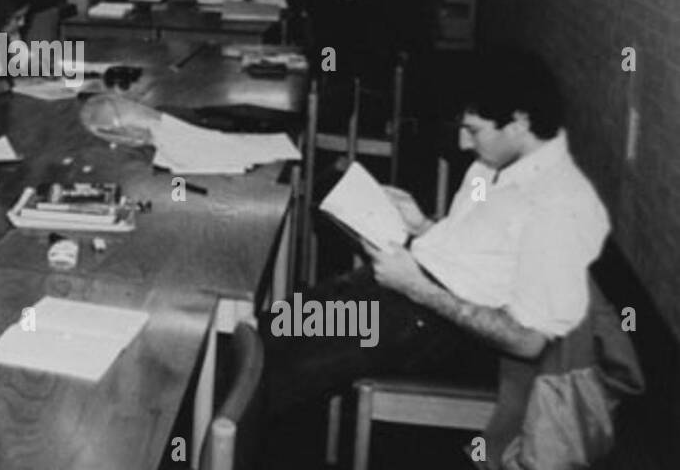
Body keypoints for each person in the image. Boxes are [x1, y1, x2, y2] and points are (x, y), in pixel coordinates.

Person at [261, 48, 610, 416]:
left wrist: (418, 287)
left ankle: (226, 448)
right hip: (418, 294)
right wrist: (423, 225)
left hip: (459, 337)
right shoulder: (488, 167)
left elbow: (527, 341)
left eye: (473, 130)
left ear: (520, 123)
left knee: (286, 367)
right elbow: (478, 233)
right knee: (276, 329)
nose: (462, 143)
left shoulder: (555, 209)